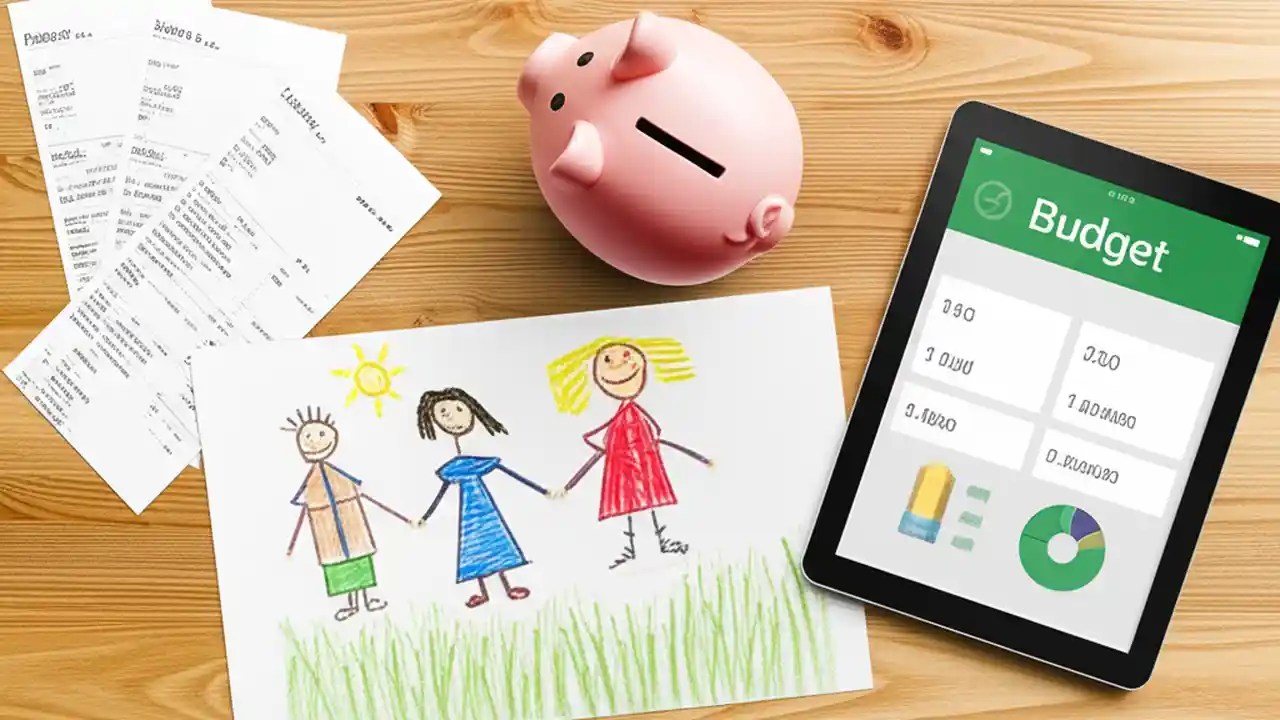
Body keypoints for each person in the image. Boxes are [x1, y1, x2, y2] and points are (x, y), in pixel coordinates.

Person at [546, 337, 712, 569]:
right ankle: (633, 548)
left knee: (647, 501)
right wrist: (570, 485)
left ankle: (657, 543)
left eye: (626, 356)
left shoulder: (634, 414)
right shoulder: (618, 419)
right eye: (607, 360)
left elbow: (656, 434)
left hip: (644, 462)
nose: (619, 365)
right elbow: (614, 442)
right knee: (630, 504)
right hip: (624, 466)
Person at [415, 388, 555, 608]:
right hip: (469, 513)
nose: (451, 417)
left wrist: (542, 490)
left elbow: (509, 472)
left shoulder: (477, 458)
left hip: (485, 508)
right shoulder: (454, 466)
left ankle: (508, 587)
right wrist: (426, 517)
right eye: (443, 413)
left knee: (495, 541)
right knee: (473, 547)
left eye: (459, 409)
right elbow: (442, 492)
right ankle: (483, 592)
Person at [284, 407, 413, 622]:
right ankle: (350, 604)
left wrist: (402, 518)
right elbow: (303, 510)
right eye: (308, 437)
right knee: (338, 568)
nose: (314, 442)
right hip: (326, 531)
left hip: (352, 524)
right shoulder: (312, 483)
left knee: (360, 561)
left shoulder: (340, 476)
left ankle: (369, 598)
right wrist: (292, 545)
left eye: (321, 434)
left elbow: (365, 494)